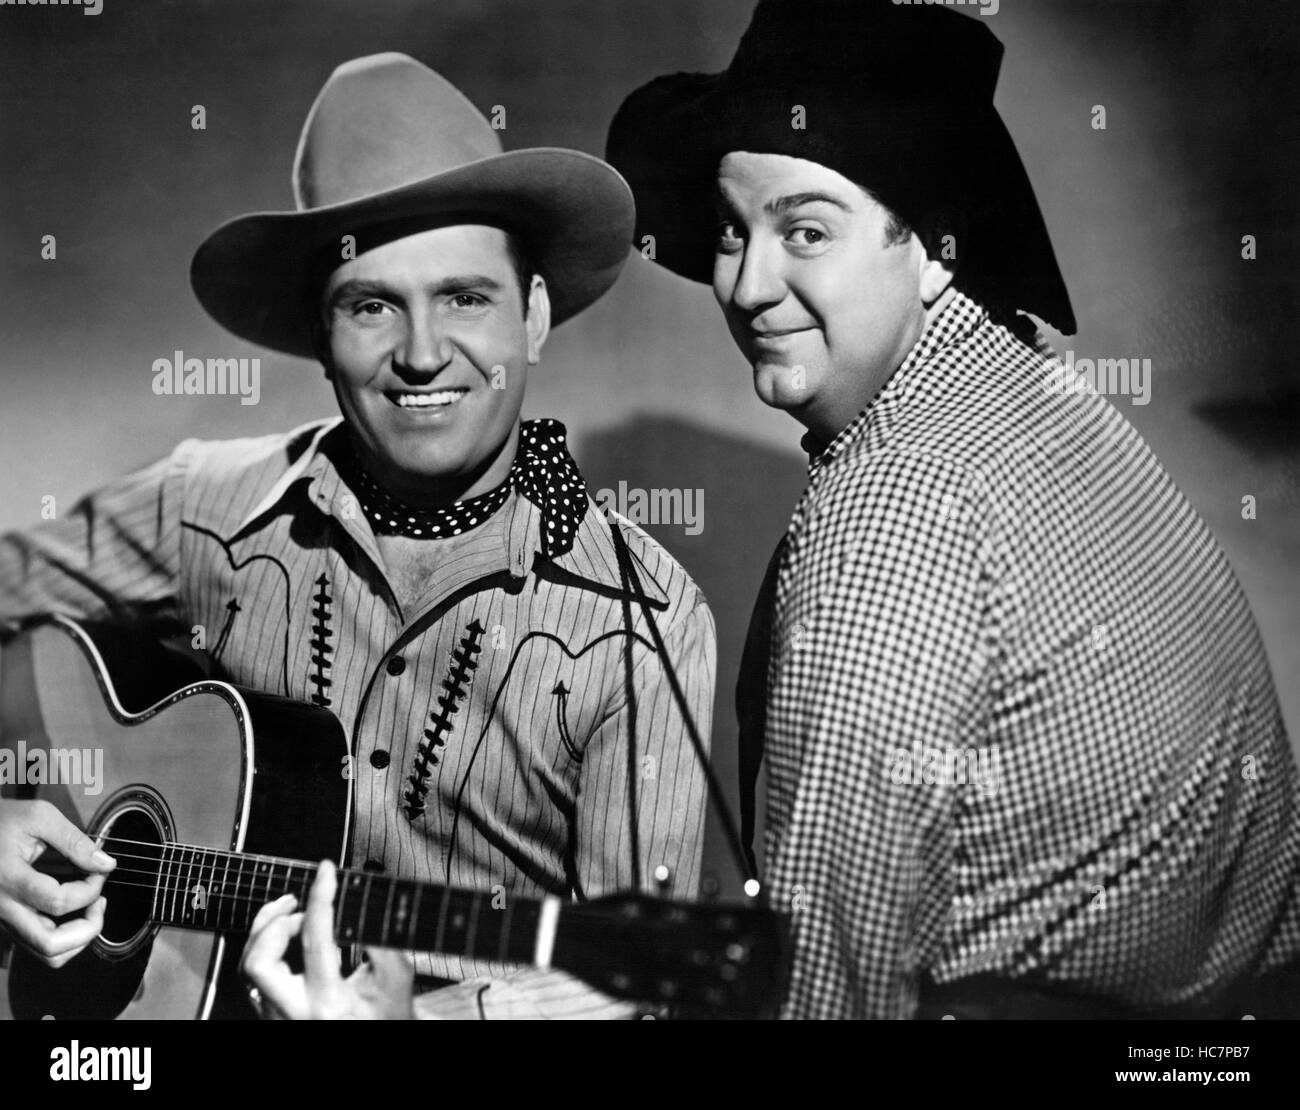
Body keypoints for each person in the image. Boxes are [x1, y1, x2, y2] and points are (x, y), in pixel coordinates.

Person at [605, 0, 1300, 1018]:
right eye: (727, 230)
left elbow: (829, 988)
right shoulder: (1056, 406)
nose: (748, 286)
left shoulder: (894, 509)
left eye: (803, 230)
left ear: (931, 249)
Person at [0, 52, 716, 1019]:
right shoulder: (201, 506)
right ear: (319, 336)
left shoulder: (647, 621)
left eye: (465, 297)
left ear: (535, 316)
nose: (422, 356)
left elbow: (635, 992)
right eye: (372, 305)